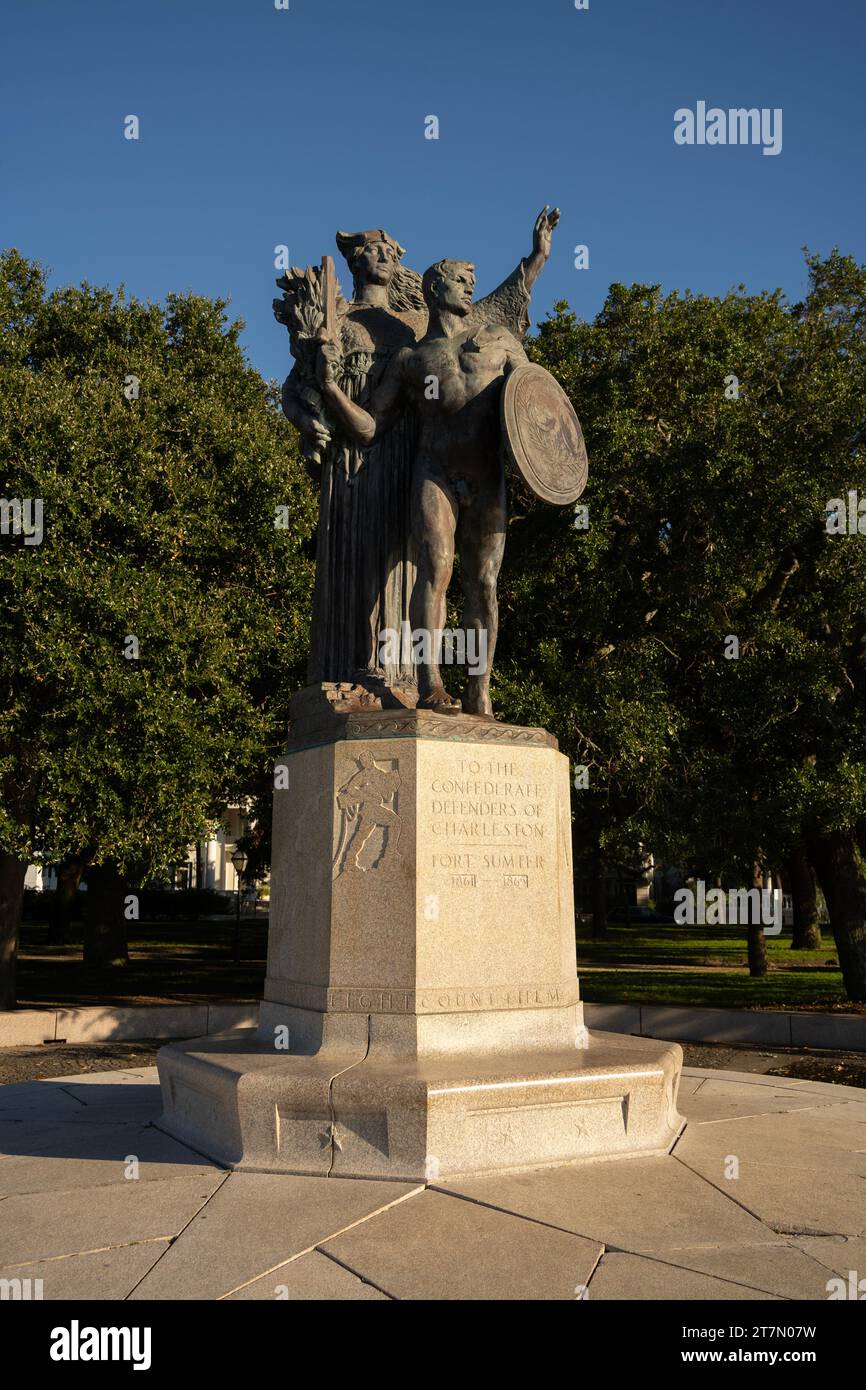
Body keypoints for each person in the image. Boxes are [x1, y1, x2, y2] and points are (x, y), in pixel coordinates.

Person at [316, 258, 531, 717]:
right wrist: (331, 389)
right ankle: (429, 680)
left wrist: (536, 259)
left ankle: (480, 689)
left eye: (473, 281)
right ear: (434, 288)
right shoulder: (411, 360)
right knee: (434, 568)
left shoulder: (500, 343)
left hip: (487, 475)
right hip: (434, 473)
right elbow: (372, 427)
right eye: (460, 280)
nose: (469, 287)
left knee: (484, 584)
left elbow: (532, 405)